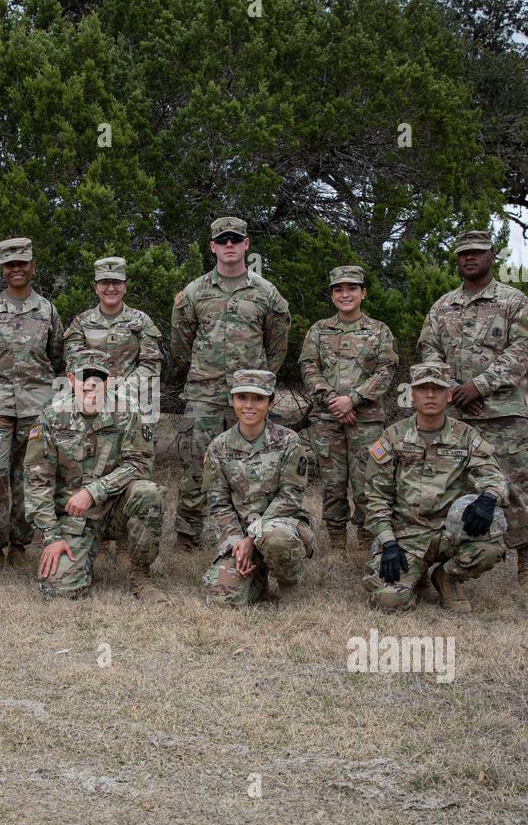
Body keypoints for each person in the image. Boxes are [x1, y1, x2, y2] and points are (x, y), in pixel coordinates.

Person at [417, 230, 528, 594]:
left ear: (492, 256)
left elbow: (521, 351)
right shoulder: (443, 307)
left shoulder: (514, 302)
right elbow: (429, 352)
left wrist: (481, 386)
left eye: (476, 252)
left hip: (502, 414)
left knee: (515, 483)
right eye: (463, 254)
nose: (469, 258)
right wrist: (455, 390)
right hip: (455, 413)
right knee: (448, 485)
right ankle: (449, 559)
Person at [171, 216, 290, 551]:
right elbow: (181, 343)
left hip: (249, 397)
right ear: (212, 247)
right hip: (204, 395)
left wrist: (259, 382)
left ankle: (255, 532)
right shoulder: (194, 293)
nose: (229, 246)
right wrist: (200, 372)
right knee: (197, 465)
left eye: (235, 240)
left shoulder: (266, 293)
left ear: (246, 244)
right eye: (222, 240)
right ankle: (187, 534)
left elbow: (277, 345)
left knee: (255, 467)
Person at [361, 362, 508, 613]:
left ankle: (447, 577)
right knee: (390, 602)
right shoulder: (393, 437)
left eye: (438, 389)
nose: (430, 395)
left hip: (450, 534)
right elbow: (376, 497)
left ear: (449, 395)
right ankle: (413, 577)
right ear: (411, 395)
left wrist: (489, 497)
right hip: (407, 536)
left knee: (491, 547)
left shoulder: (466, 436)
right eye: (423, 388)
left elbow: (494, 475)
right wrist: (388, 542)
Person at [24, 349, 166, 602]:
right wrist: (52, 538)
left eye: (97, 377)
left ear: (108, 382)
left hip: (115, 509)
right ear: (70, 379)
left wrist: (94, 491)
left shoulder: (128, 413)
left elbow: (140, 464)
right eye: (83, 376)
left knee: (148, 493)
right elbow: (37, 482)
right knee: (61, 592)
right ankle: (82, 558)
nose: (90, 383)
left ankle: (140, 575)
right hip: (75, 517)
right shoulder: (51, 418)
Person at [0, 236, 65, 572]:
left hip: (35, 406)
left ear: (33, 267)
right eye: (10, 265)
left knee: (29, 476)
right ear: (3, 270)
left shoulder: (47, 310)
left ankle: (20, 544)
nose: (16, 269)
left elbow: (57, 357)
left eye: (22, 263)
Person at [298, 264, 398, 556]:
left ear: (363, 293)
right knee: (333, 485)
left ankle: (367, 544)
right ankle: (338, 545)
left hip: (366, 421)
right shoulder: (318, 330)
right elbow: (309, 367)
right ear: (331, 296)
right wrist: (333, 401)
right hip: (326, 421)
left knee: (367, 484)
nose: (345, 294)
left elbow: (386, 370)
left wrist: (352, 400)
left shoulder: (379, 331)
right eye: (338, 289)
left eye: (352, 288)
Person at [201, 369, 314, 607]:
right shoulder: (218, 448)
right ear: (232, 401)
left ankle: (288, 584)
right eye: (242, 398)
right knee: (222, 598)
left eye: (258, 398)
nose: (248, 406)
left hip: (281, 526)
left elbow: (290, 497)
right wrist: (236, 543)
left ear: (271, 402)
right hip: (240, 535)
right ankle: (257, 578)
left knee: (273, 535)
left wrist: (252, 537)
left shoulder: (288, 442)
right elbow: (219, 504)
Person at [63, 256, 163, 416]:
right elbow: (73, 364)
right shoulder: (81, 322)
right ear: (96, 287)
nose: (111, 288)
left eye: (116, 283)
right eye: (104, 283)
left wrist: (123, 389)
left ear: (125, 287)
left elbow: (151, 364)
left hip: (132, 400)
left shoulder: (141, 320)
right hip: (90, 401)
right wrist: (95, 390)